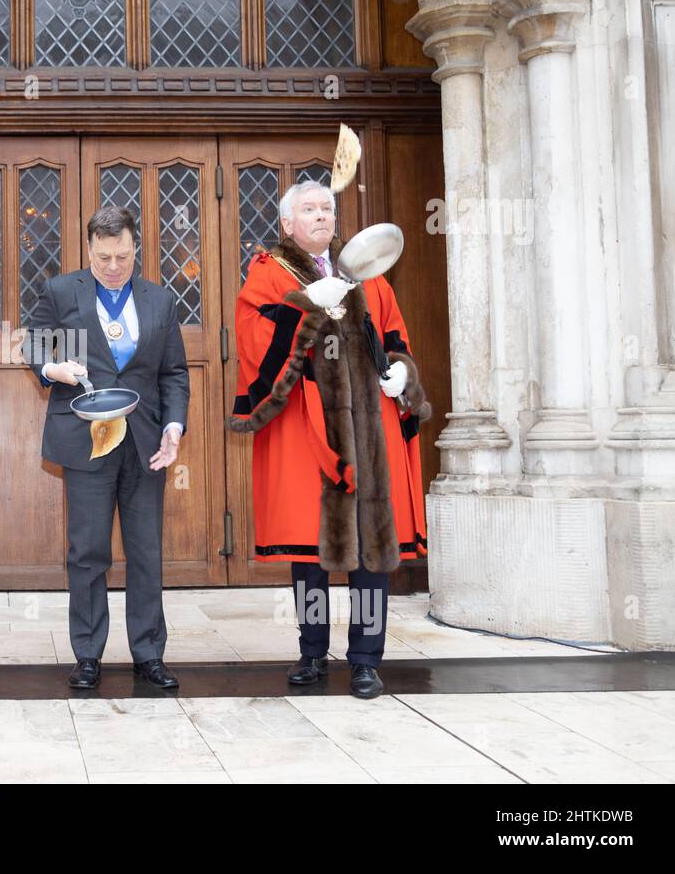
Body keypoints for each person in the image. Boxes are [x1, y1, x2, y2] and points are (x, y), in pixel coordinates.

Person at [227, 180, 431, 699]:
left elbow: (394, 337)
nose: (321, 216)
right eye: (309, 209)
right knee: (310, 550)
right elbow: (252, 337)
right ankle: (313, 652)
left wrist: (403, 374)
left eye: (327, 209)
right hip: (307, 424)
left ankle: (365, 659)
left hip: (368, 427)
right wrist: (302, 305)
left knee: (370, 546)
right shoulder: (269, 272)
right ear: (287, 222)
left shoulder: (367, 274)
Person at [24, 205, 190, 689]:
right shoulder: (61, 292)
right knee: (88, 551)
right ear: (89, 249)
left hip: (144, 442)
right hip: (86, 441)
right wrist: (50, 368)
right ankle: (89, 655)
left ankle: (148, 654)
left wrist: (174, 427)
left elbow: (174, 373)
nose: (114, 267)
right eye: (103, 258)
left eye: (122, 256)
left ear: (136, 248)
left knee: (145, 552)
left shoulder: (160, 299)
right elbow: (34, 341)